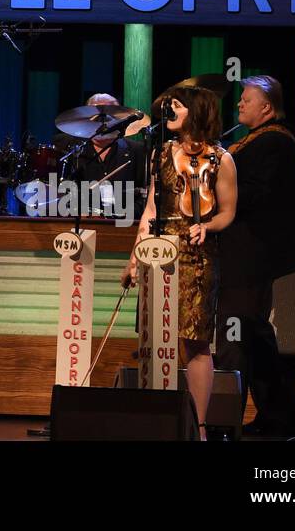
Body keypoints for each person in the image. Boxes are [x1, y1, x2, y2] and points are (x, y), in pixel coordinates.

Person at [123, 85, 237, 439]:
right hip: (159, 250)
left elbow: (228, 212)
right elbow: (151, 211)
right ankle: (157, 420)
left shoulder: (222, 159)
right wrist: (132, 259)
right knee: (157, 337)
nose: (168, 111)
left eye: (177, 106)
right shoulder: (160, 154)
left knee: (196, 342)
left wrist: (207, 226)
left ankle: (199, 427)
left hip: (198, 255)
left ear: (197, 111)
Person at [216, 75, 295, 436]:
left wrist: (215, 185)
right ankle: (280, 418)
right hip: (245, 254)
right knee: (254, 335)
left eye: (246, 100)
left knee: (235, 335)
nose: (239, 105)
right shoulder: (255, 140)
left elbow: (255, 195)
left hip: (252, 256)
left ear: (267, 107)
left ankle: (225, 421)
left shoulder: (274, 142)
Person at [66, 93, 147, 219]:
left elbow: (146, 195)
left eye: (108, 117)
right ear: (86, 120)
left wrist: (122, 215)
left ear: (119, 120)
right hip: (83, 225)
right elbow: (62, 195)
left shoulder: (137, 151)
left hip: (125, 227)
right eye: (97, 117)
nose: (102, 122)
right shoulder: (73, 152)